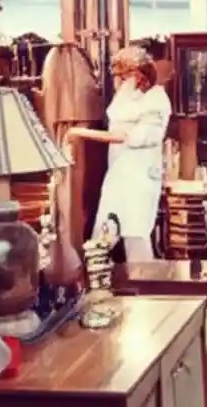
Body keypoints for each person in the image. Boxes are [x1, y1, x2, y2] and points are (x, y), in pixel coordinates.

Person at [67, 45, 172, 261]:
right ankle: (98, 280)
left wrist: (81, 132)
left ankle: (145, 285)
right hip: (119, 171)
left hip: (140, 175)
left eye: (121, 75)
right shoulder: (126, 94)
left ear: (137, 73)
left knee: (135, 233)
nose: (118, 81)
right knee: (105, 229)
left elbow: (125, 136)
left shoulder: (156, 101)